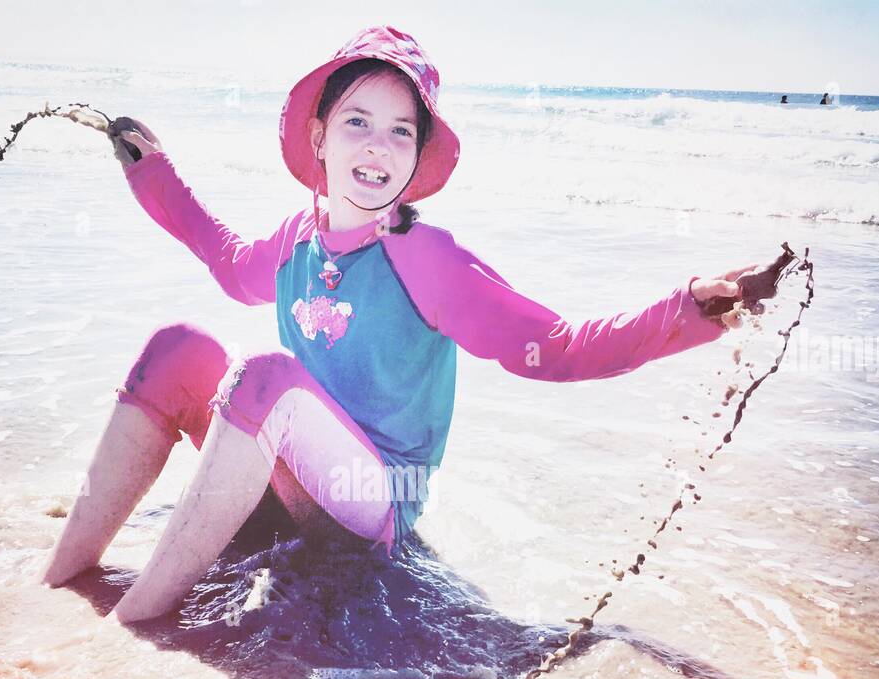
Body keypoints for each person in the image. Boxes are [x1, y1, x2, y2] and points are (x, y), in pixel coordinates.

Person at [41, 26, 763, 625]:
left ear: (418, 157)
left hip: (373, 501)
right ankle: (62, 573)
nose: (377, 147)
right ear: (319, 137)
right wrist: (153, 173)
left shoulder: (426, 256)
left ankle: (137, 621)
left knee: (265, 376)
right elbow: (230, 264)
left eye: (400, 131)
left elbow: (559, 348)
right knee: (179, 349)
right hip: (286, 485)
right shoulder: (299, 234)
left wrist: (687, 308)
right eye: (357, 122)